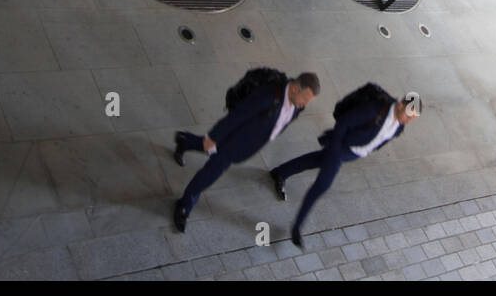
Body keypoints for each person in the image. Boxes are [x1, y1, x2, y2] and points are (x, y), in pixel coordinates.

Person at [270, 86, 419, 248]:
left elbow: (382, 138)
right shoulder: (374, 110)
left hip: (353, 153)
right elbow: (344, 122)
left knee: (317, 160)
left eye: (412, 119)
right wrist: (335, 150)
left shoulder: (400, 125)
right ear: (400, 106)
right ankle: (297, 226)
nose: (408, 121)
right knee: (322, 185)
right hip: (341, 148)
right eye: (409, 115)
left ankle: (280, 172)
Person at [171, 71, 320, 232]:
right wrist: (214, 137)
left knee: (208, 147)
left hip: (247, 144)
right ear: (295, 89)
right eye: (305, 99)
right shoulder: (268, 96)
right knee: (209, 174)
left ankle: (184, 140)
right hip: (233, 140)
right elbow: (238, 116)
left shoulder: (296, 106)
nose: (305, 105)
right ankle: (184, 205)